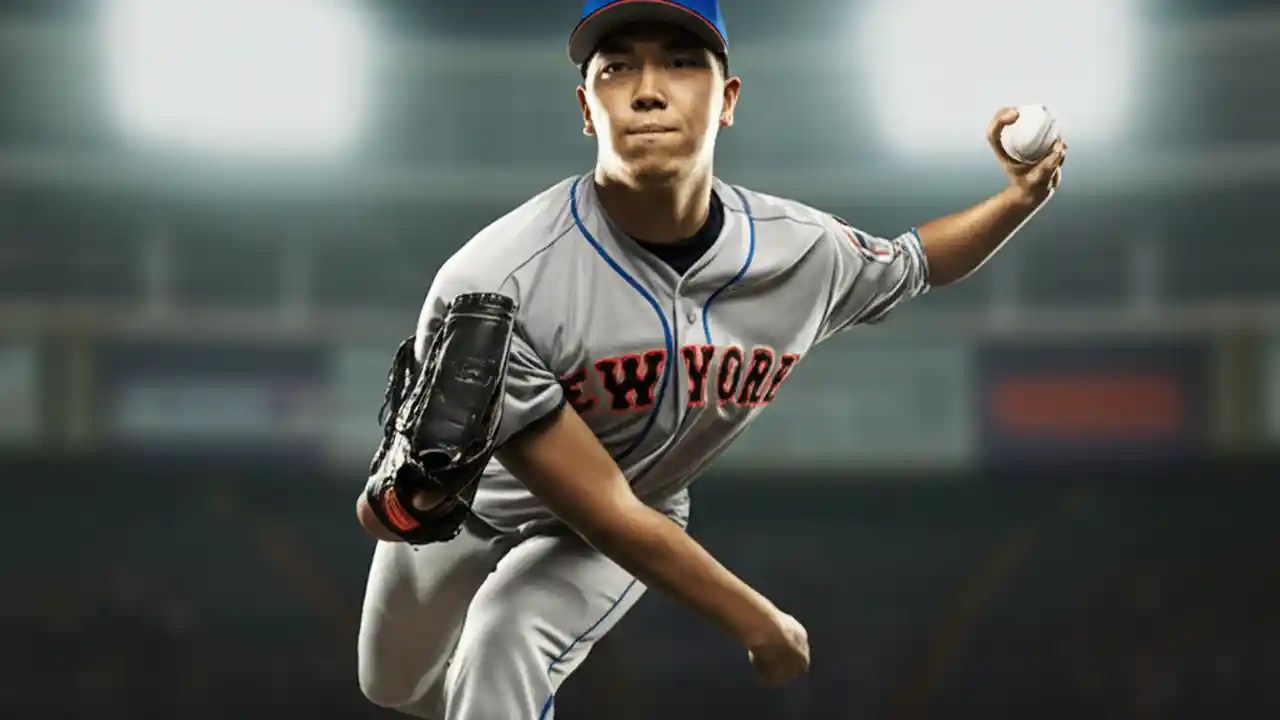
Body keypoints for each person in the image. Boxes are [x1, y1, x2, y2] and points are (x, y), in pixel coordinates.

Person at [354, 1, 1067, 718]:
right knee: (389, 686)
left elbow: (916, 261)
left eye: (682, 61)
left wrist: (1019, 199)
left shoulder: (801, 250)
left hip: (634, 517)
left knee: (503, 637)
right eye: (618, 66)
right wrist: (759, 621)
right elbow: (602, 507)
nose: (649, 88)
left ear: (727, 99)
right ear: (586, 106)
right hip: (478, 512)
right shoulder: (501, 277)